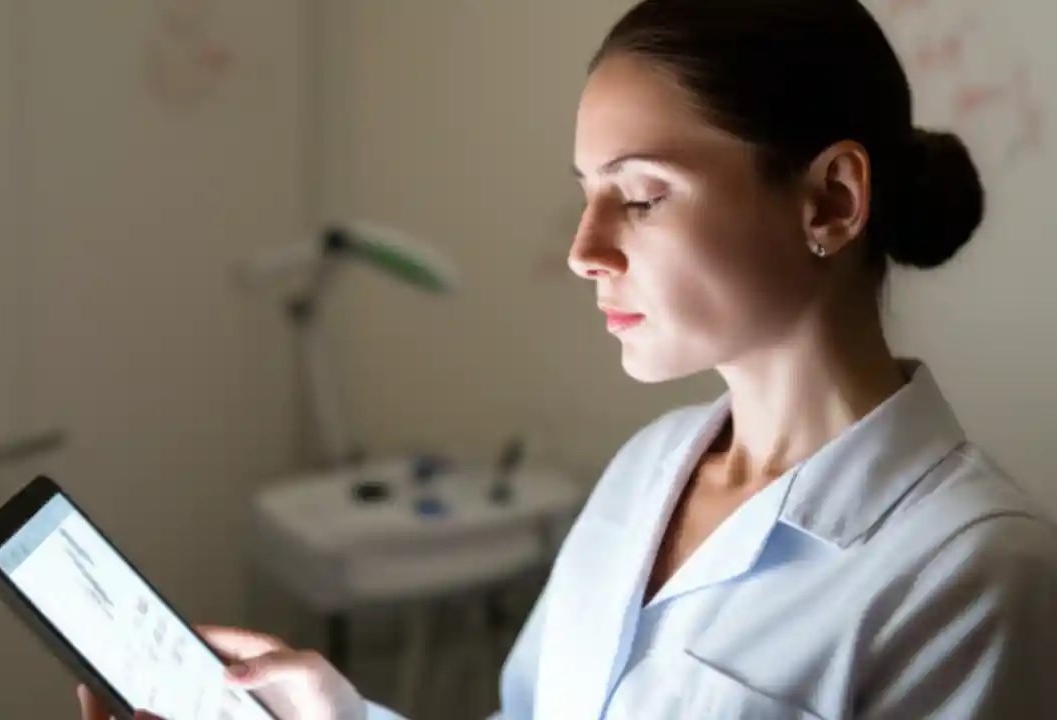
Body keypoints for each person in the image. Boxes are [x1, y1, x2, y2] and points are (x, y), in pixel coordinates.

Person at [81, 0, 1057, 717]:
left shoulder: (972, 576)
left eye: (638, 196)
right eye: (586, 192)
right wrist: (324, 711)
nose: (583, 248)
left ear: (830, 202)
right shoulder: (650, 470)